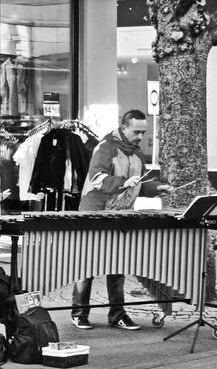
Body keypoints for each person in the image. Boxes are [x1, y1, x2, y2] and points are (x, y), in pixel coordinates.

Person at [71, 109, 173, 331]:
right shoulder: (104, 148)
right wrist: (122, 182)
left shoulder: (136, 152)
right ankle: (79, 313)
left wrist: (156, 188)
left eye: (143, 133)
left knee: (117, 267)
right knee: (86, 267)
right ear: (124, 127)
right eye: (136, 132)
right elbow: (97, 179)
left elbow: (139, 183)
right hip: (96, 213)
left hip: (122, 214)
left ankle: (117, 314)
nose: (140, 137)